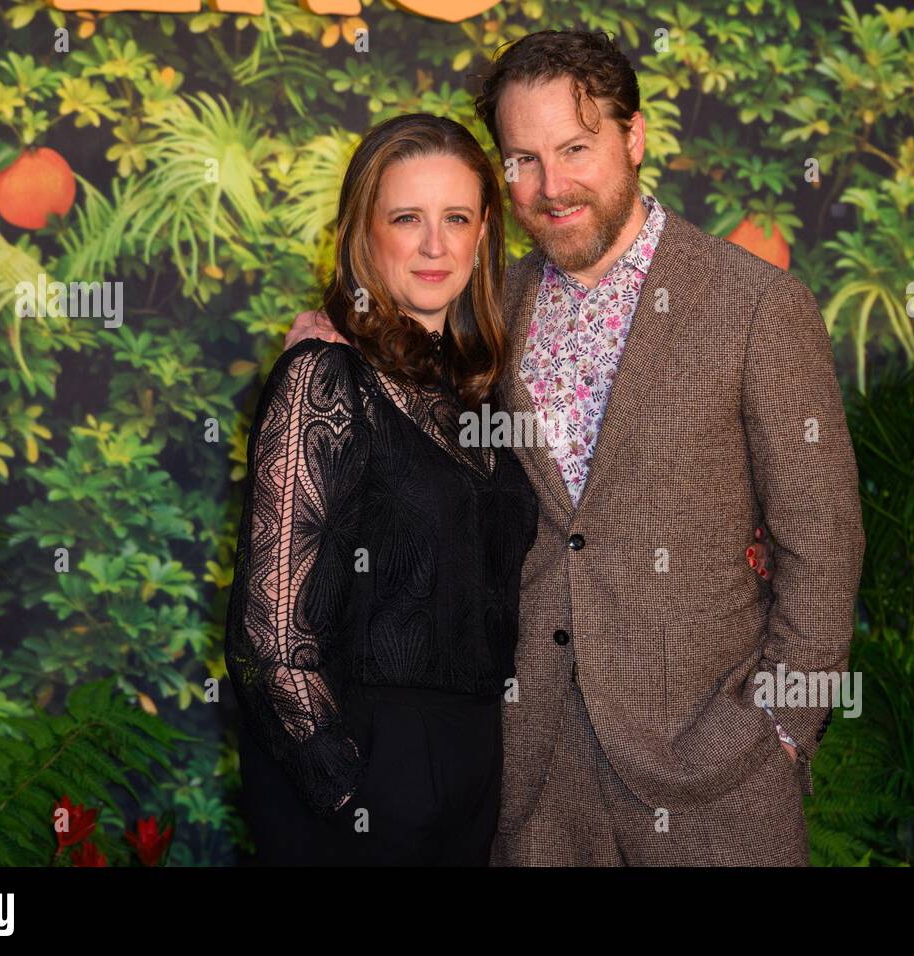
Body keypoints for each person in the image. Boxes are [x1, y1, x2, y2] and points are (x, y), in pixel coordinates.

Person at [289, 30, 865, 866]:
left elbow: (824, 547)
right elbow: (387, 376)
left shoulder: (756, 307)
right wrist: (335, 336)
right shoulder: (487, 305)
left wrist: (778, 728)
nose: (551, 187)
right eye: (523, 159)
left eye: (575, 149)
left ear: (632, 138)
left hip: (716, 771)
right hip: (531, 779)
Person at [226, 112, 538, 866]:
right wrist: (355, 799)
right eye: (407, 218)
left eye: (456, 218)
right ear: (364, 233)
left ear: (484, 233)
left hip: (473, 776)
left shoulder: (477, 391)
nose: (435, 245)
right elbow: (269, 647)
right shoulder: (324, 377)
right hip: (363, 785)